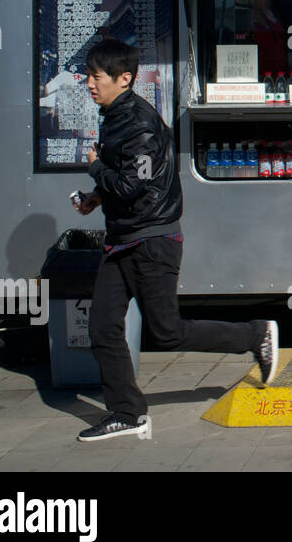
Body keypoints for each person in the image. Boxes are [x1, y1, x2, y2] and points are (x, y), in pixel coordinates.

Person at [72, 38, 279, 441]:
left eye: (96, 77)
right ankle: (128, 413)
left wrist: (96, 171)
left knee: (167, 332)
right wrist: (97, 197)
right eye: (89, 76)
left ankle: (255, 335)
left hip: (151, 241)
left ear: (124, 78)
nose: (90, 84)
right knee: (102, 326)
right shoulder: (114, 115)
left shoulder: (137, 123)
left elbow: (133, 183)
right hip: (124, 239)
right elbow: (134, 181)